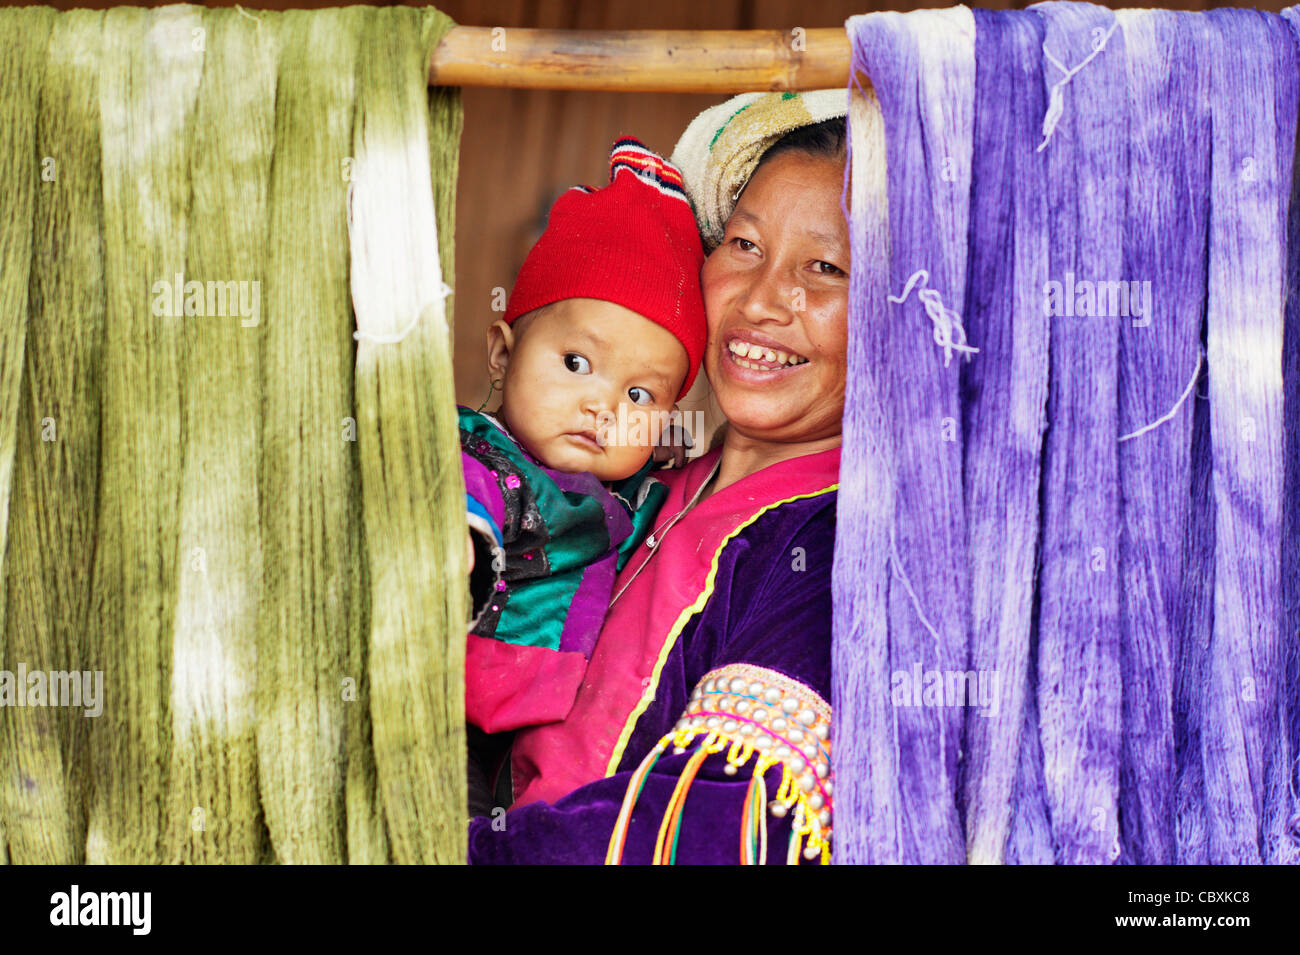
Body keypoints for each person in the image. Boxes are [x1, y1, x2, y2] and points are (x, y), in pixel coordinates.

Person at [467, 90, 852, 864]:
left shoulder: (838, 540)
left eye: (827, 266)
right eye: (744, 245)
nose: (764, 297)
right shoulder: (628, 487)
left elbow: (723, 827)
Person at [460, 138, 707, 814]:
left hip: (544, 751)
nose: (602, 405)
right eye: (575, 363)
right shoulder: (483, 458)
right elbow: (461, 513)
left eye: (639, 396)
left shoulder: (644, 500)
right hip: (447, 721)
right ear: (502, 355)